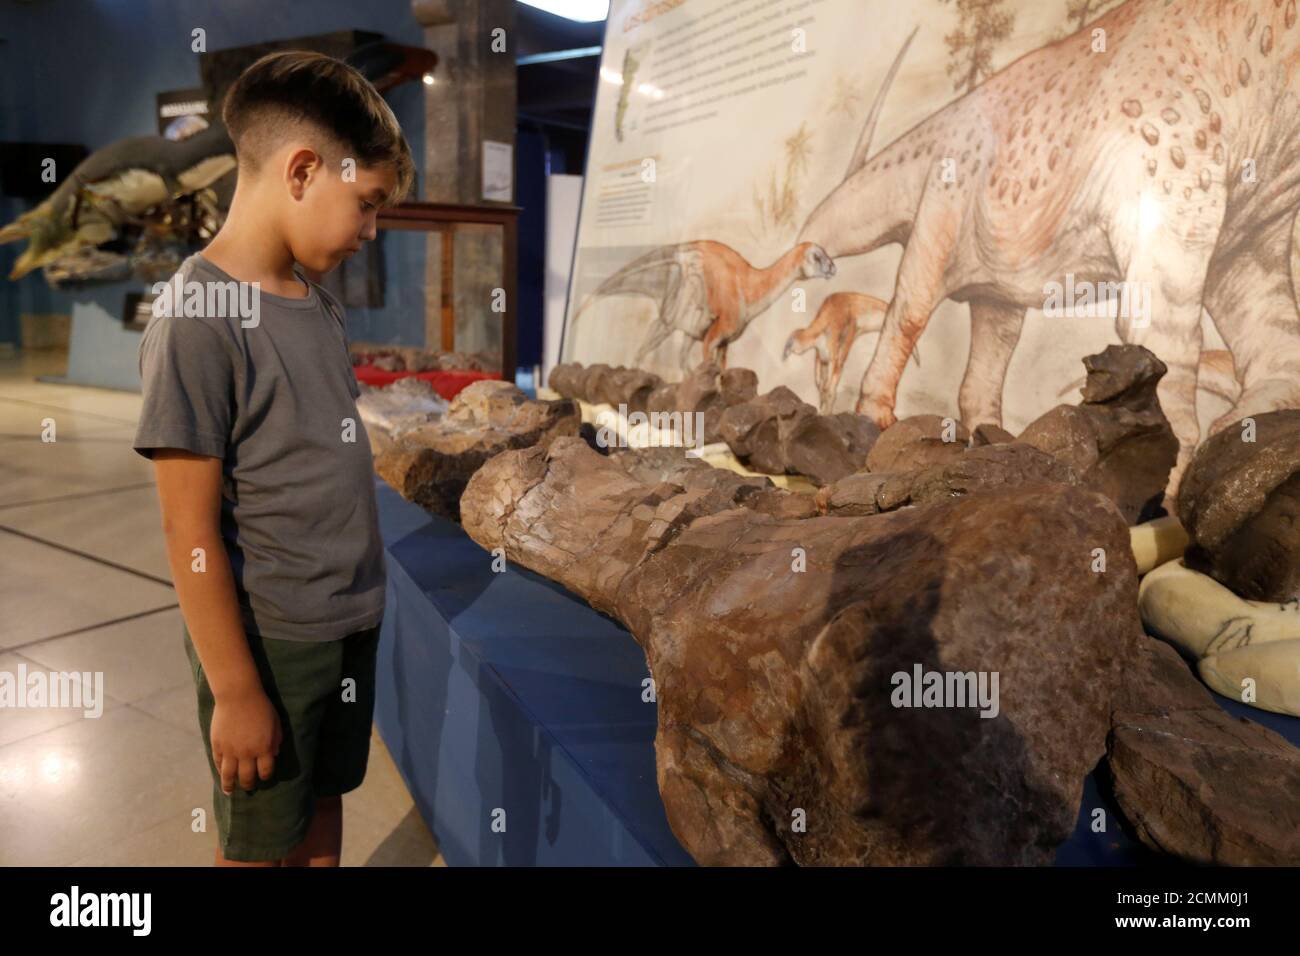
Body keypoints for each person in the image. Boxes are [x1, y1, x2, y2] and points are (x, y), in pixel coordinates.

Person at [132, 50, 415, 866]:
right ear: (301, 171)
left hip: (346, 621)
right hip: (270, 644)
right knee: (261, 841)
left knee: (323, 802)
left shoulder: (317, 302)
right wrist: (236, 689)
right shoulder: (196, 319)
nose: (370, 230)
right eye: (365, 204)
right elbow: (187, 530)